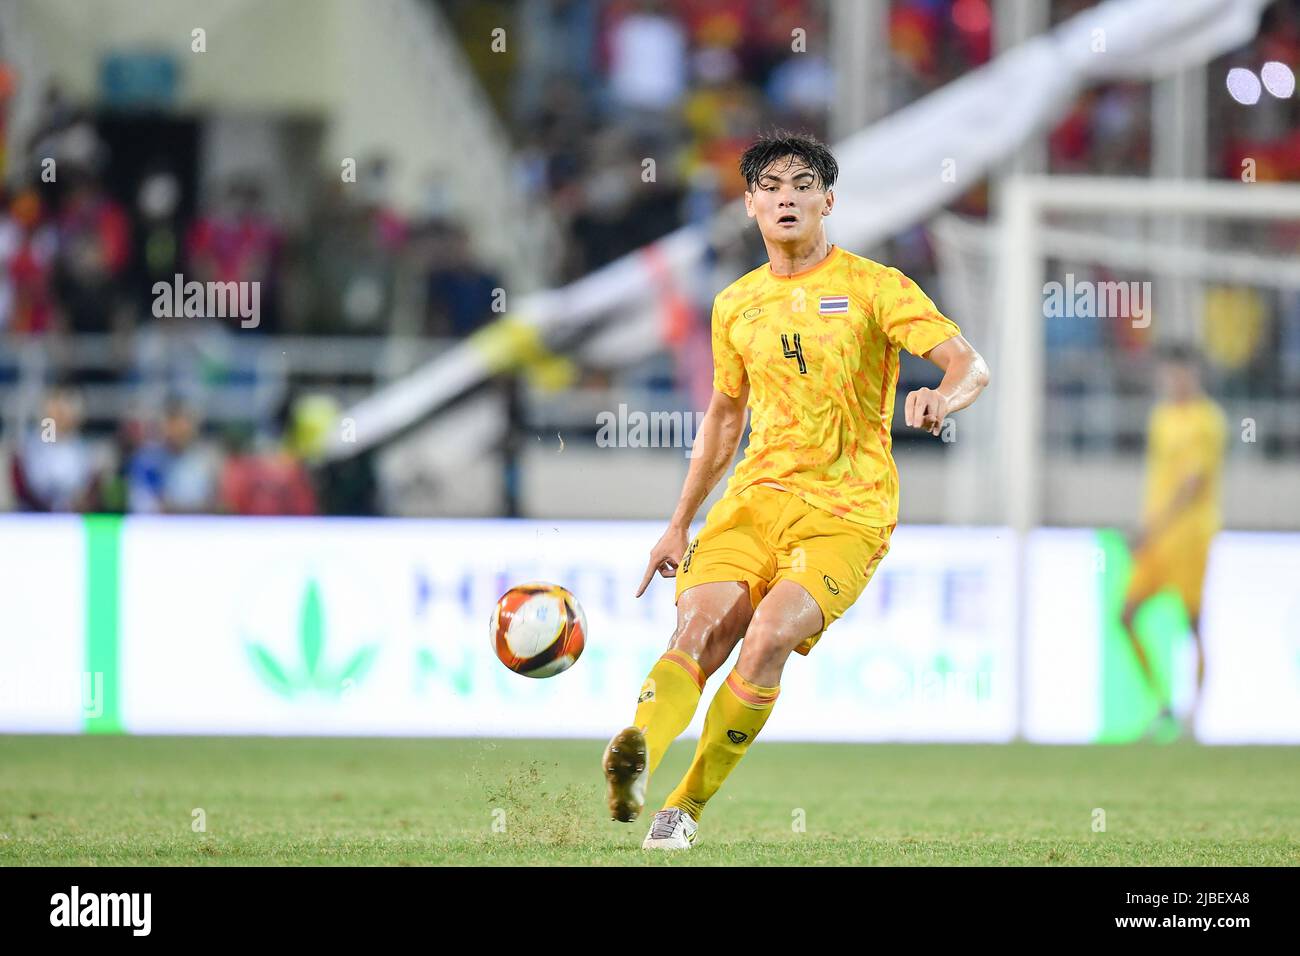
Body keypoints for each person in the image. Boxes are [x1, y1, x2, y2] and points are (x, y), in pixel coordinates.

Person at [601, 132, 990, 849]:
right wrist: (678, 522)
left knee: (770, 635)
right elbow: (723, 419)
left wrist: (944, 396)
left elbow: (970, 364)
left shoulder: (877, 287)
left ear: (828, 201)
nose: (787, 196)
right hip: (751, 502)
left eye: (803, 184)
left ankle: (681, 808)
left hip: (847, 510)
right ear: (750, 204)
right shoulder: (736, 305)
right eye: (771, 186)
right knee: (700, 629)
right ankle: (637, 759)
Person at [1121, 344, 1227, 740]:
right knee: (1126, 615)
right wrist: (1148, 525)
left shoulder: (1208, 420)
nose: (1174, 380)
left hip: (1191, 537)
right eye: (1169, 373)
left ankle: (1194, 718)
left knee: (1193, 625)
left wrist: (1152, 526)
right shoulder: (1162, 417)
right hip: (1157, 537)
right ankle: (1163, 703)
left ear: (1194, 375)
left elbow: (1192, 484)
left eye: (1181, 373)